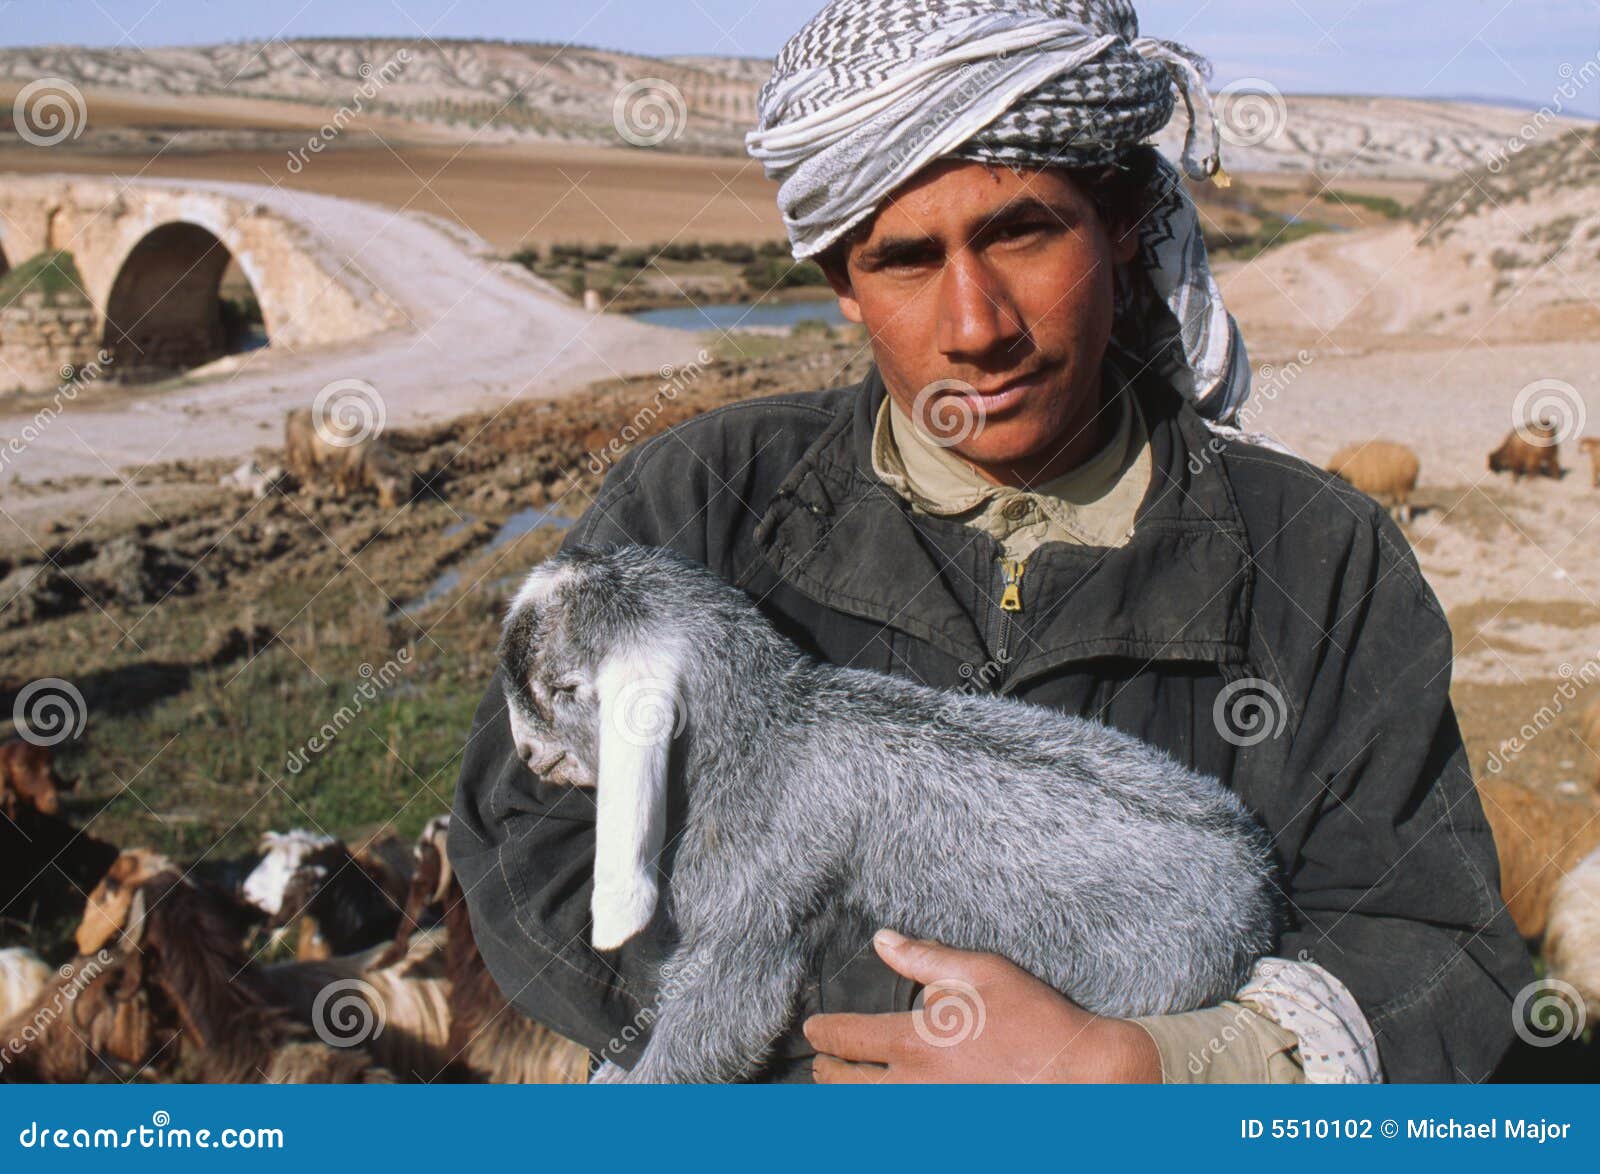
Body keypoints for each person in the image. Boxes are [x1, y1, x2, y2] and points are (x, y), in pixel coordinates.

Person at [451, 0, 1531, 1083]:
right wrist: (870, 1042)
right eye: (907, 260)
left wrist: (1145, 1070)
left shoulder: (1318, 556)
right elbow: (527, 843)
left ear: (1119, 220)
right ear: (840, 283)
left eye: (1021, 233)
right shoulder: (700, 498)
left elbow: (1430, 950)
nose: (977, 328)